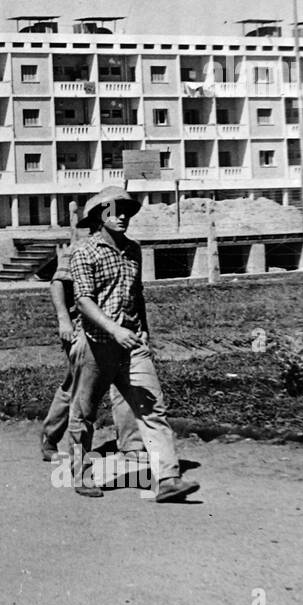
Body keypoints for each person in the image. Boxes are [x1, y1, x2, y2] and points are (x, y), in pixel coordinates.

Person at [67, 187, 199, 502]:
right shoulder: (85, 251)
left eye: (127, 210)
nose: (123, 216)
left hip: (132, 344)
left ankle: (167, 479)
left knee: (152, 407)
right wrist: (113, 330)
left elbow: (136, 294)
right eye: (115, 211)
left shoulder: (134, 250)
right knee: (84, 413)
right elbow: (84, 302)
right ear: (100, 216)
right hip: (96, 345)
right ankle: (80, 473)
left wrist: (144, 331)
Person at [40, 237, 145, 462]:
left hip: (122, 332)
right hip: (84, 331)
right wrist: (63, 320)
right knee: (74, 389)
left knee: (126, 387)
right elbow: (58, 283)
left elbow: (136, 292)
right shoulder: (81, 247)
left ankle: (131, 446)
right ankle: (50, 437)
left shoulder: (129, 248)